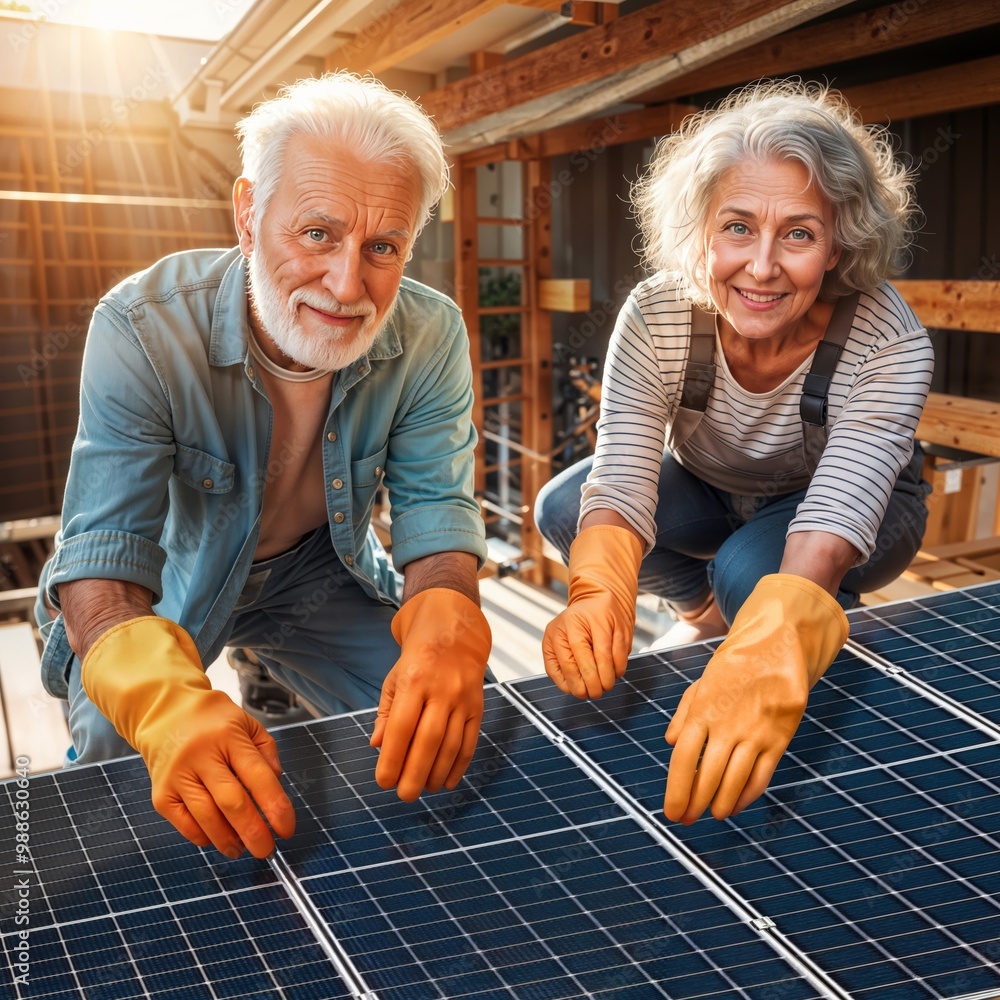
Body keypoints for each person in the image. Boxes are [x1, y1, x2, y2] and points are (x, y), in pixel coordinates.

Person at [34, 72, 492, 860]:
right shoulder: (141, 326)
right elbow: (101, 566)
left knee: (434, 739)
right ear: (249, 214)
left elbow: (434, 517)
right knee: (120, 766)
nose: (348, 286)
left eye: (382, 247)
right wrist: (163, 705)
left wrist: (449, 624)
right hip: (169, 584)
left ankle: (267, 676)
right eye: (317, 234)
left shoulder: (432, 333)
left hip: (319, 575)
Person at [535, 80, 933, 827]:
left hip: (854, 509)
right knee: (564, 507)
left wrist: (777, 639)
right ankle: (707, 608)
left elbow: (836, 513)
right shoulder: (658, 313)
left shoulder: (888, 339)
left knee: (754, 570)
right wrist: (600, 592)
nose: (761, 266)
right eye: (738, 227)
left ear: (839, 241)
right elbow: (622, 469)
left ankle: (747, 609)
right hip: (713, 485)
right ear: (699, 233)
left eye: (799, 234)